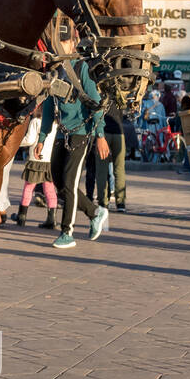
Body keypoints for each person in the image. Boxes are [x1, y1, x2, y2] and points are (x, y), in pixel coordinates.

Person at [44, 31, 109, 249]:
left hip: (81, 133)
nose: (61, 44)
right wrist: (43, 138)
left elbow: (95, 102)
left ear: (73, 44)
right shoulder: (54, 72)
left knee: (70, 182)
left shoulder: (82, 70)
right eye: (58, 40)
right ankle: (94, 212)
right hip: (61, 133)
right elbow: (47, 108)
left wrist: (100, 135)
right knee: (59, 183)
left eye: (64, 40)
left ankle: (67, 232)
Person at [16, 115, 58, 228]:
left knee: (29, 187)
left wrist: (16, 142)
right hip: (49, 159)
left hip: (36, 158)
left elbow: (29, 140)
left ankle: (21, 217)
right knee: (49, 189)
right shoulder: (57, 123)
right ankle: (51, 219)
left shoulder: (36, 121)